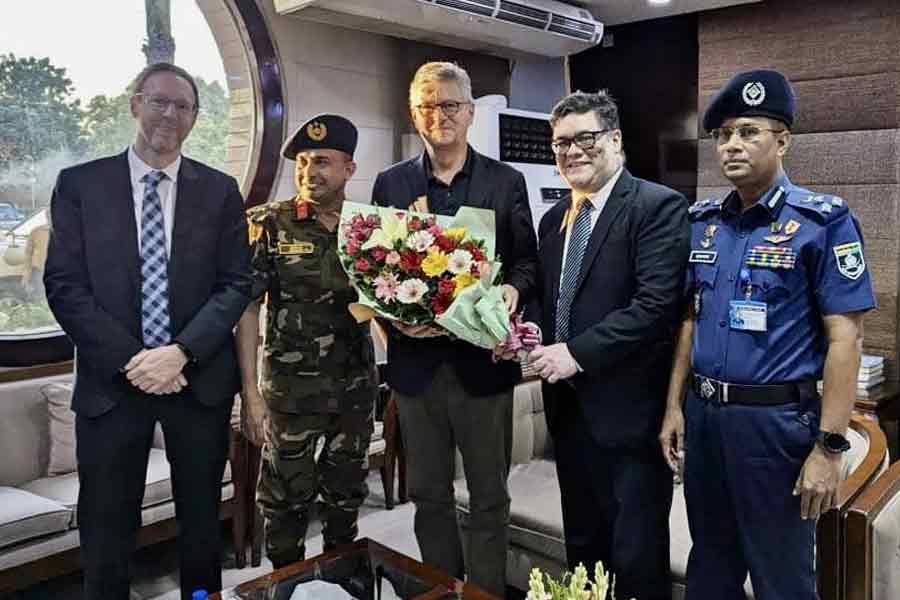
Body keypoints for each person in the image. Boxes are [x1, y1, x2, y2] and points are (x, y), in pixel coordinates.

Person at [659, 69, 876, 600]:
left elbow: (846, 340)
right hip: (707, 423)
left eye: (748, 131)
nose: (731, 145)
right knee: (709, 568)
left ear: (783, 141)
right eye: (722, 134)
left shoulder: (822, 222)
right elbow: (689, 318)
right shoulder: (702, 222)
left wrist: (829, 447)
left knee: (782, 578)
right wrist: (674, 406)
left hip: (775, 429)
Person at [43, 62, 251, 600]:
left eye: (183, 106)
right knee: (107, 531)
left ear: (194, 117)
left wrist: (179, 353)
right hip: (113, 388)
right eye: (159, 101)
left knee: (204, 527)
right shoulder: (81, 185)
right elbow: (65, 286)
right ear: (135, 104)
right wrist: (137, 360)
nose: (170, 114)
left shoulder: (221, 191)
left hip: (196, 382)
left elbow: (235, 285)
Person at [371, 61, 538, 596]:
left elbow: (527, 264)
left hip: (482, 366)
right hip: (415, 370)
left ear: (468, 112)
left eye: (449, 105)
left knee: (489, 496)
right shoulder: (390, 183)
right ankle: (441, 591)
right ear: (412, 113)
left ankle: (483, 594)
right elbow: (374, 273)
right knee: (429, 496)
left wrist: (511, 291)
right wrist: (394, 318)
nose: (438, 115)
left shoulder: (505, 181)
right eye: (427, 105)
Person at [526, 90, 689, 600]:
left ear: (615, 140)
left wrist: (573, 353)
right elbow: (554, 301)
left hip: (629, 417)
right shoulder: (554, 220)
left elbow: (654, 306)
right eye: (560, 144)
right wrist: (527, 334)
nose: (571, 151)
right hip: (569, 413)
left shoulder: (657, 206)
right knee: (583, 546)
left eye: (584, 138)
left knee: (637, 555)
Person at [236, 114, 376, 568]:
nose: (309, 172)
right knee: (285, 506)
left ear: (349, 169)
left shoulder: (370, 228)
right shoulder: (269, 223)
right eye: (302, 162)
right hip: (291, 394)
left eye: (322, 161)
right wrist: (250, 395)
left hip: (354, 391)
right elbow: (248, 309)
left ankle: (339, 582)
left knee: (345, 501)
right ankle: (285, 586)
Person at [21, 219, 49, 299]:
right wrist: (26, 276)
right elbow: (28, 255)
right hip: (39, 272)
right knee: (39, 299)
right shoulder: (37, 231)